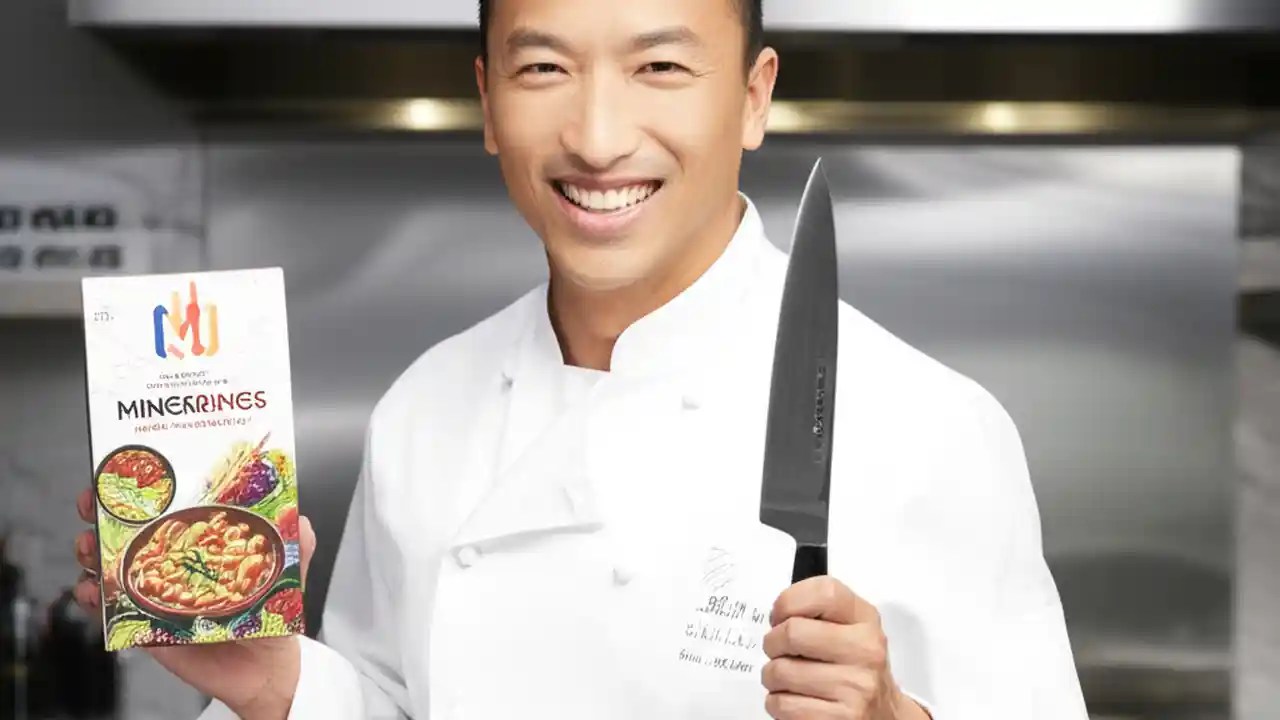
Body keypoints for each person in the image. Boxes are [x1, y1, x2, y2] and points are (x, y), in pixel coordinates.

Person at [72, 0, 1090, 717]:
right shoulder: (424, 406)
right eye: (544, 69)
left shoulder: (928, 423)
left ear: (753, 96)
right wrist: (273, 685)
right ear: (487, 99)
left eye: (660, 67)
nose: (598, 139)